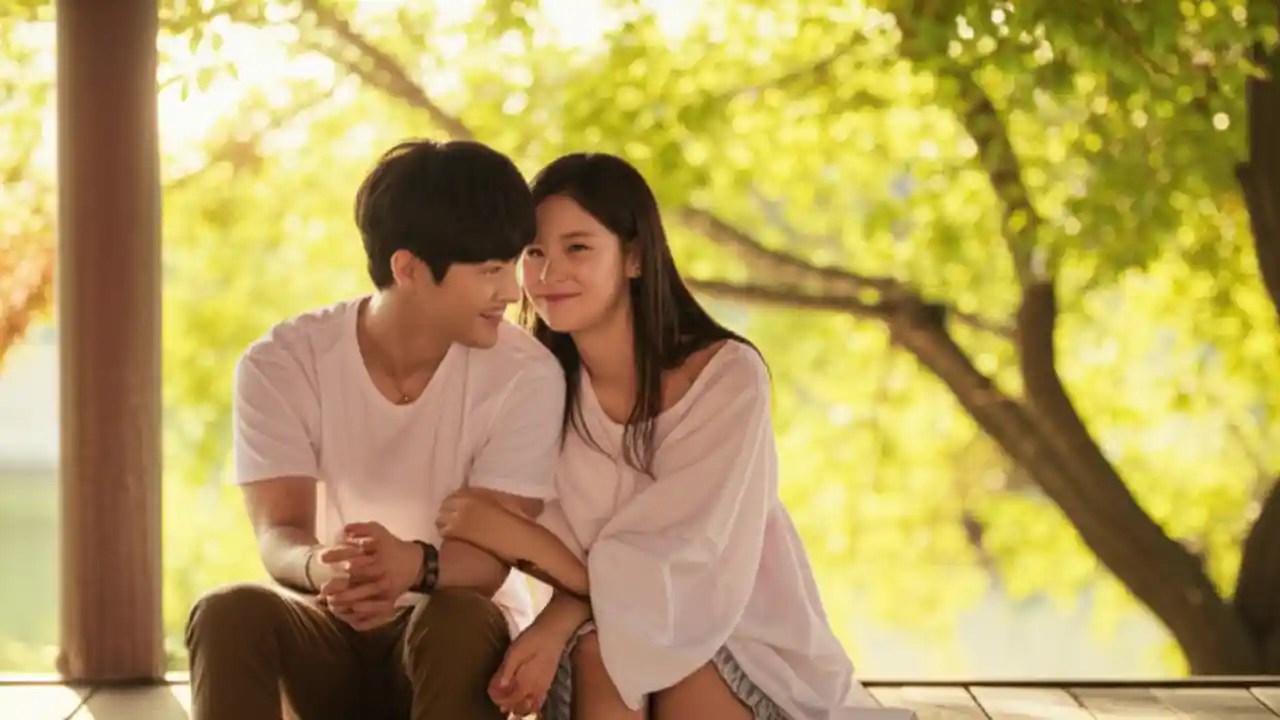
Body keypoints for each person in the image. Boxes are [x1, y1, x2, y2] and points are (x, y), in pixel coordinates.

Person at [435, 153, 910, 719]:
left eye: (577, 248)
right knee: (603, 655)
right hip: (593, 637)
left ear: (633, 257)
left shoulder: (727, 376)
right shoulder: (535, 387)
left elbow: (680, 555)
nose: (546, 272)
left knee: (679, 670)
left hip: (736, 632)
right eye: (534, 252)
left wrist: (544, 586)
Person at [183, 139, 566, 720]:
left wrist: (411, 567)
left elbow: (488, 561)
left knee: (457, 615)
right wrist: (324, 567)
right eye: (490, 270)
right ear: (408, 269)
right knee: (226, 611)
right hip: (333, 630)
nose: (513, 292)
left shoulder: (526, 376)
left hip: (453, 640)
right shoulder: (285, 361)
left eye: (512, 266)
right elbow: (279, 532)